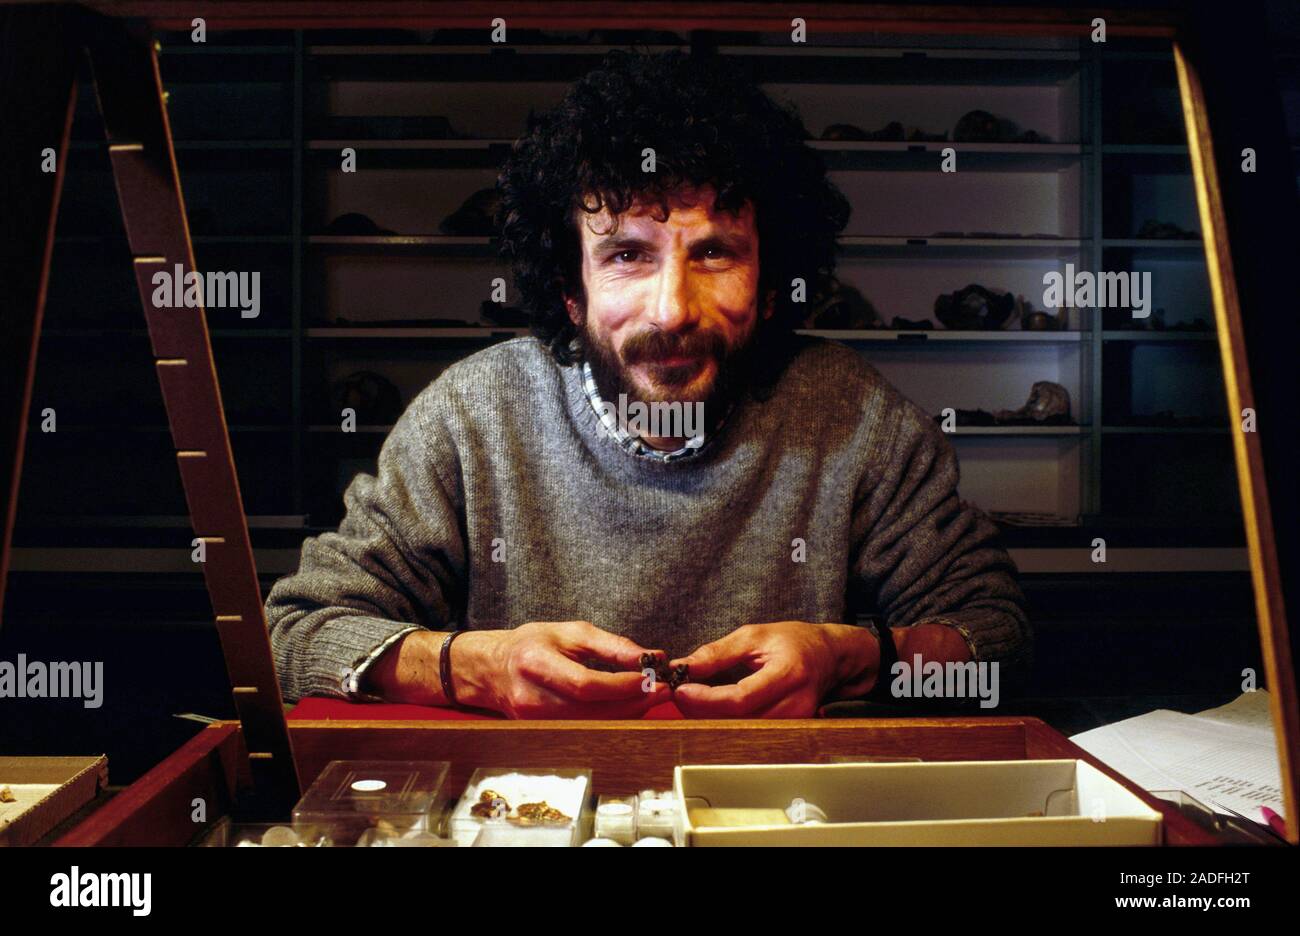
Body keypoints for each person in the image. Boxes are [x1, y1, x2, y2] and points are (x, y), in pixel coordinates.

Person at [265, 50, 1030, 718]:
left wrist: (852, 658)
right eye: (628, 255)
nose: (672, 310)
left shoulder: (857, 419)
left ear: (771, 286)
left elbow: (996, 645)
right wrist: (478, 668)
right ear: (571, 288)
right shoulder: (472, 417)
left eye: (716, 254)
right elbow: (294, 637)